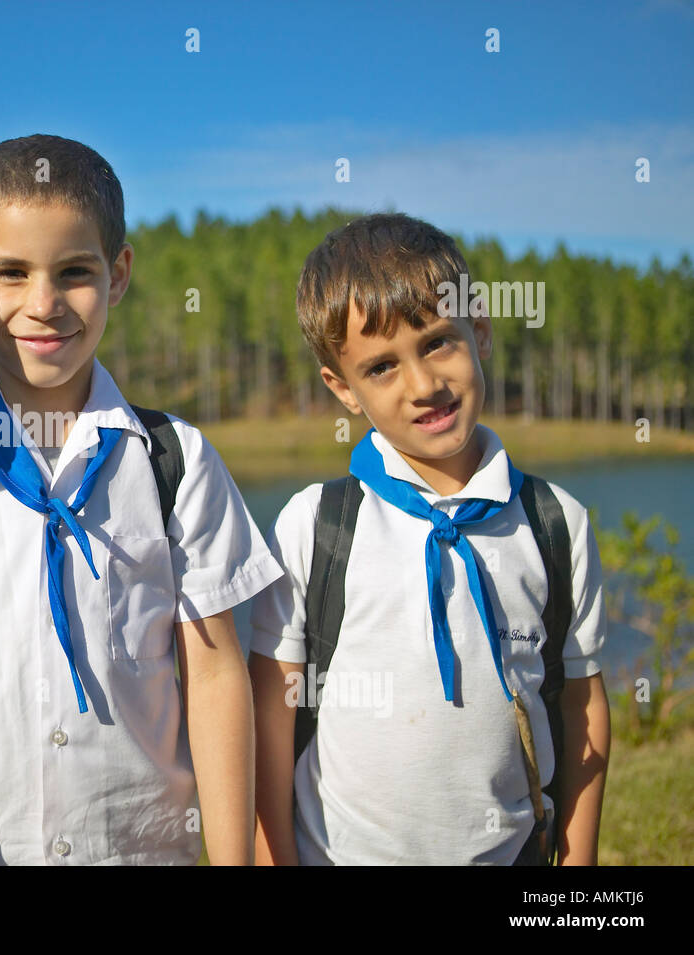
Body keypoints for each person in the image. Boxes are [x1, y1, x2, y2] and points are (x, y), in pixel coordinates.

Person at [0, 134, 281, 865]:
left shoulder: (174, 460)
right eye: (11, 273)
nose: (44, 303)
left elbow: (214, 675)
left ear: (118, 276)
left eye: (75, 272)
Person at [250, 213, 610, 865]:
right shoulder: (316, 526)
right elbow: (270, 722)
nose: (423, 386)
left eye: (439, 342)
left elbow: (583, 702)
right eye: (382, 366)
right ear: (343, 388)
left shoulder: (558, 523)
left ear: (480, 331)